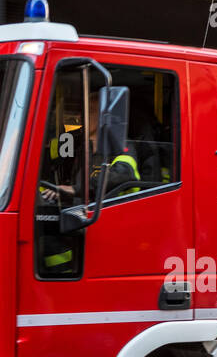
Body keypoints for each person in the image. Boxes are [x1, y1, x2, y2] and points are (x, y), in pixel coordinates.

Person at [37, 94, 141, 275]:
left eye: (91, 111)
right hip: (82, 221)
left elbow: (124, 174)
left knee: (48, 243)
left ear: (104, 118)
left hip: (111, 226)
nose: (83, 117)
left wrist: (75, 189)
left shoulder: (121, 146)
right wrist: (60, 192)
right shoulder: (82, 150)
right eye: (82, 112)